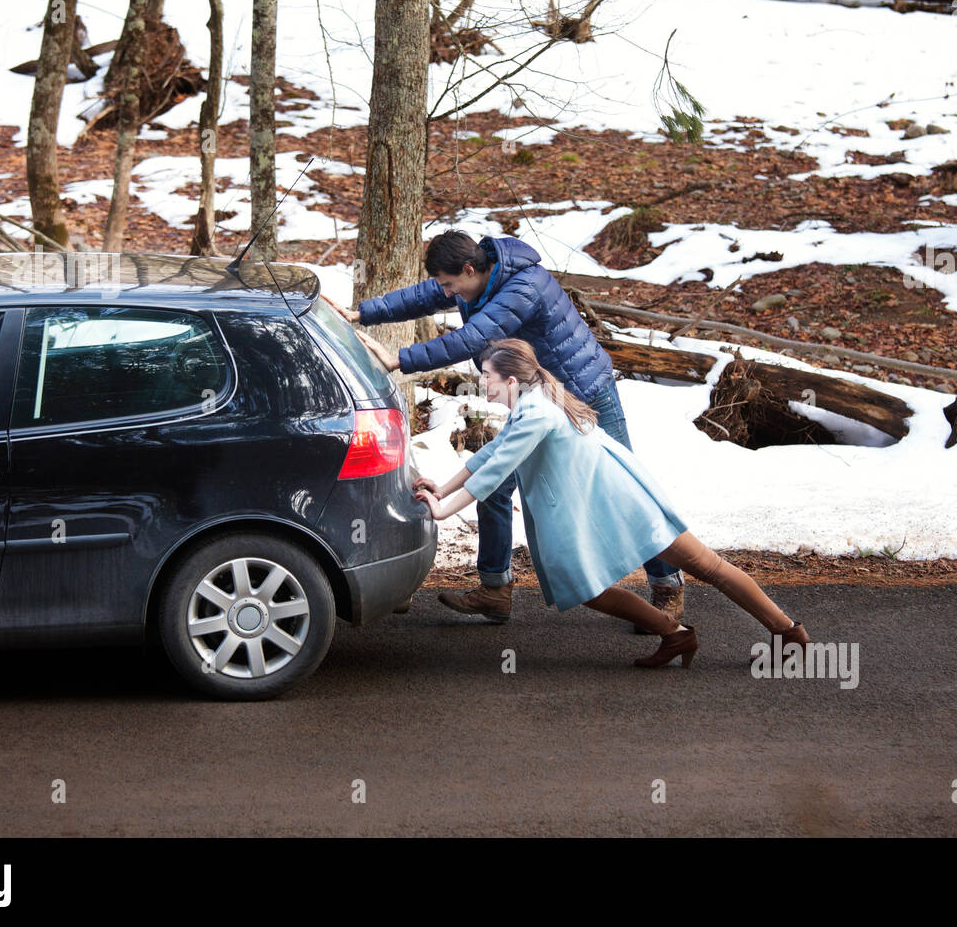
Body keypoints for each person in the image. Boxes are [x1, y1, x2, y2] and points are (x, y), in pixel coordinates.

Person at [332, 229, 686, 631]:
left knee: (626, 490)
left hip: (585, 393)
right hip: (539, 401)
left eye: (450, 284)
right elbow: (425, 295)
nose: (446, 293)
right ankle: (495, 588)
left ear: (469, 269)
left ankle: (667, 584)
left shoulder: (524, 287)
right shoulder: (474, 279)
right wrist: (361, 313)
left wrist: (401, 359)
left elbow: (473, 338)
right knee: (495, 485)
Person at [409, 338, 813, 668]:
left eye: (487, 377)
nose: (483, 384)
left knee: (705, 566)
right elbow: (491, 453)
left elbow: (498, 468)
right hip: (613, 503)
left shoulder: (537, 413)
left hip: (627, 507)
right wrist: (443, 489)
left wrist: (443, 510)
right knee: (590, 586)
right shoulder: (534, 400)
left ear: (510, 380)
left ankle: (784, 633)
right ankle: (678, 635)